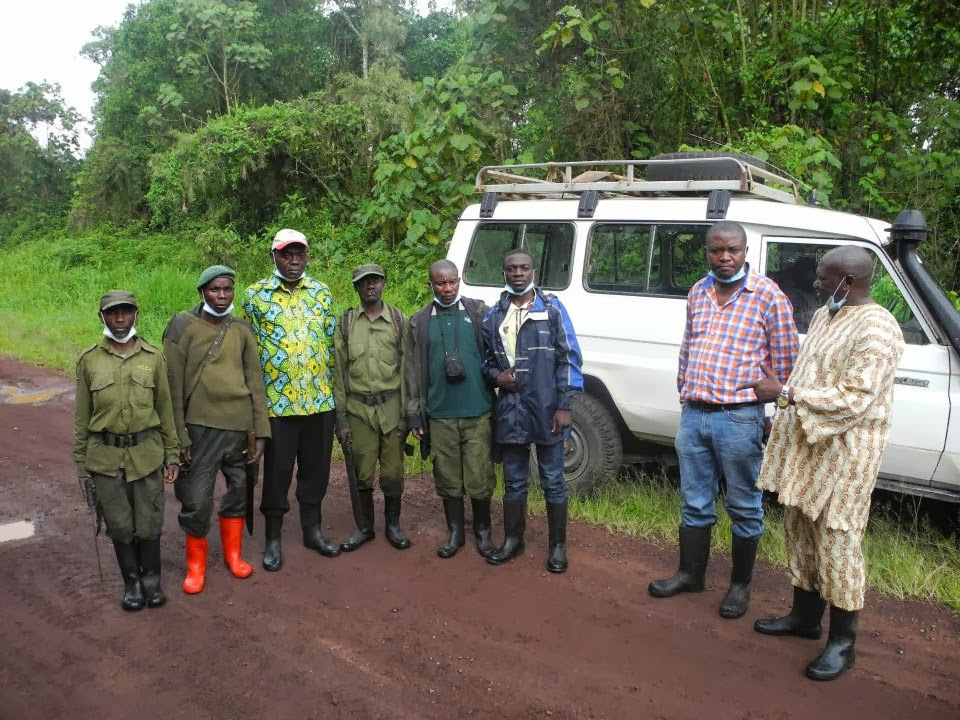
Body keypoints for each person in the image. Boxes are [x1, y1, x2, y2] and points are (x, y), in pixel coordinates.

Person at [741, 246, 904, 681]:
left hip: (846, 455)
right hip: (807, 447)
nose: (816, 284)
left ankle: (843, 644)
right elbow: (807, 373)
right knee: (799, 528)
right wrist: (786, 407)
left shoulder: (878, 328)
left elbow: (855, 398)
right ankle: (805, 619)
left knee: (837, 539)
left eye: (823, 278)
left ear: (847, 282)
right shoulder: (823, 316)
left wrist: (787, 396)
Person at [649, 220, 799, 619]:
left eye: (733, 250)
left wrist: (771, 415)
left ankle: (739, 585)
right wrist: (685, 394)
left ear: (745, 251)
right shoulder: (698, 291)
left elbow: (785, 366)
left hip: (737, 419)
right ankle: (689, 574)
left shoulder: (768, 296)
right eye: (717, 250)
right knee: (694, 502)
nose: (725, 257)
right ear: (707, 252)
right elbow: (688, 347)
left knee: (744, 505)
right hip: (694, 415)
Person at [163, 265, 271, 594]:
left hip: (240, 429)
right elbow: (171, 385)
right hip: (199, 429)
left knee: (239, 492)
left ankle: (233, 556)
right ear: (202, 292)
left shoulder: (241, 330)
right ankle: (195, 567)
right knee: (196, 499)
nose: (222, 296)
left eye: (227, 290)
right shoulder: (182, 326)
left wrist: (261, 431)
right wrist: (178, 435)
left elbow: (256, 381)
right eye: (215, 290)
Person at [239, 229, 340, 571]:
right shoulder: (255, 296)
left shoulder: (322, 293)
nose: (294, 261)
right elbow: (247, 350)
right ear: (274, 257)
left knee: (316, 472)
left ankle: (313, 531)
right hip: (277, 406)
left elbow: (330, 344)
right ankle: (273, 539)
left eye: (300, 254)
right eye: (287, 254)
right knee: (277, 473)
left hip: (318, 402)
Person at [73, 290, 179, 611]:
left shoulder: (153, 358)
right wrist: (82, 468)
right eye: (113, 313)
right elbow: (81, 418)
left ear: (136, 314)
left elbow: (166, 411)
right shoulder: (89, 361)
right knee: (119, 524)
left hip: (146, 455)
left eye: (126, 312)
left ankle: (152, 582)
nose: (120, 320)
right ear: (101, 317)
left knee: (149, 522)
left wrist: (171, 454)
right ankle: (131, 584)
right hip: (105, 459)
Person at [480, 249, 583, 573]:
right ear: (505, 273)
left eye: (524, 267)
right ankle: (514, 540)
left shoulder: (551, 309)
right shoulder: (494, 315)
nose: (518, 273)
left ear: (533, 271)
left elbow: (570, 358)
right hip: (511, 409)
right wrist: (497, 377)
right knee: (514, 481)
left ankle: (557, 548)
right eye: (512, 268)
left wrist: (565, 406)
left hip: (547, 408)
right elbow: (483, 361)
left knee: (552, 479)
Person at [405, 259, 497, 559]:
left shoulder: (478, 312)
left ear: (459, 280)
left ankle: (483, 531)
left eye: (452, 282)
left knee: (480, 475)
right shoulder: (420, 322)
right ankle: (455, 532)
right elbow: (413, 373)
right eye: (440, 283)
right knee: (446, 476)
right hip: (440, 414)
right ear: (430, 284)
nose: (447, 288)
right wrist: (415, 414)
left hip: (478, 411)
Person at [334, 263, 412, 552]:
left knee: (393, 474)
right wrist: (340, 421)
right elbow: (339, 376)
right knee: (361, 472)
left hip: (391, 410)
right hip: (358, 412)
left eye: (375, 281)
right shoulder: (345, 325)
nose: (370, 286)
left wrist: (407, 416)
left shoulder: (400, 322)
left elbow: (408, 372)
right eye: (364, 282)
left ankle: (393, 526)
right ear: (356, 288)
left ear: (384, 284)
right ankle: (364, 527)